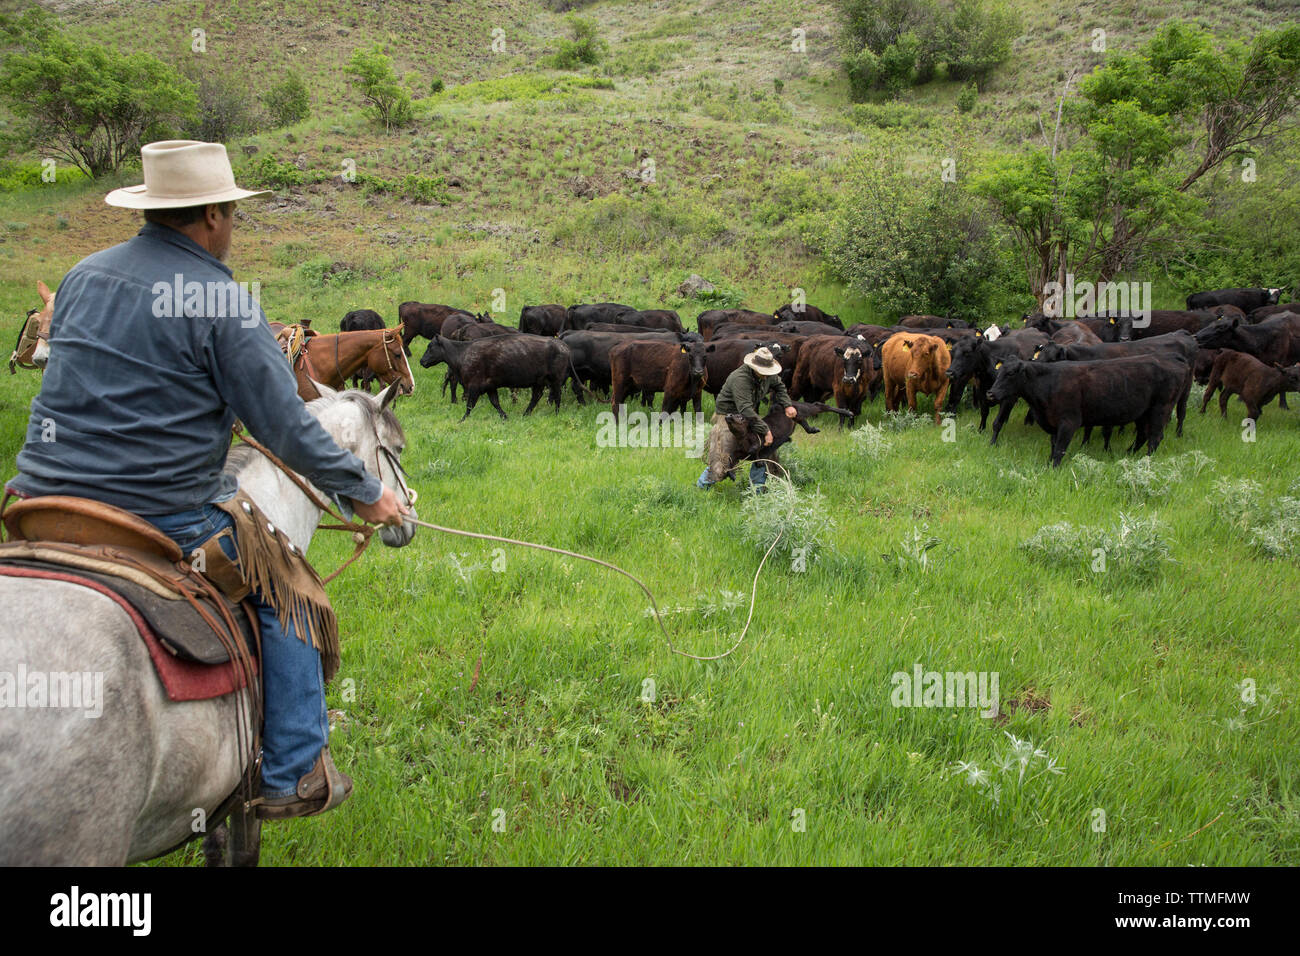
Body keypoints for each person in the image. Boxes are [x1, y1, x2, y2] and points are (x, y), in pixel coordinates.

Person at [6, 140, 407, 819]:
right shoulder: (221, 300)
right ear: (215, 216)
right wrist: (367, 493)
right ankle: (294, 767)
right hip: (160, 514)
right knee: (292, 588)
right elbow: (286, 426)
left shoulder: (81, 277)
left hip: (38, 502)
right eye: (233, 218)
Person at [696, 346, 797, 491]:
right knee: (724, 458)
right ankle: (701, 489)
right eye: (763, 372)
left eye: (768, 372)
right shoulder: (740, 379)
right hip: (729, 417)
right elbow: (745, 409)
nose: (766, 375)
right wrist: (765, 429)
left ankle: (757, 489)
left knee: (765, 450)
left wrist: (787, 405)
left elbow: (779, 386)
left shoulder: (769, 375)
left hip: (748, 417)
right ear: (754, 367)